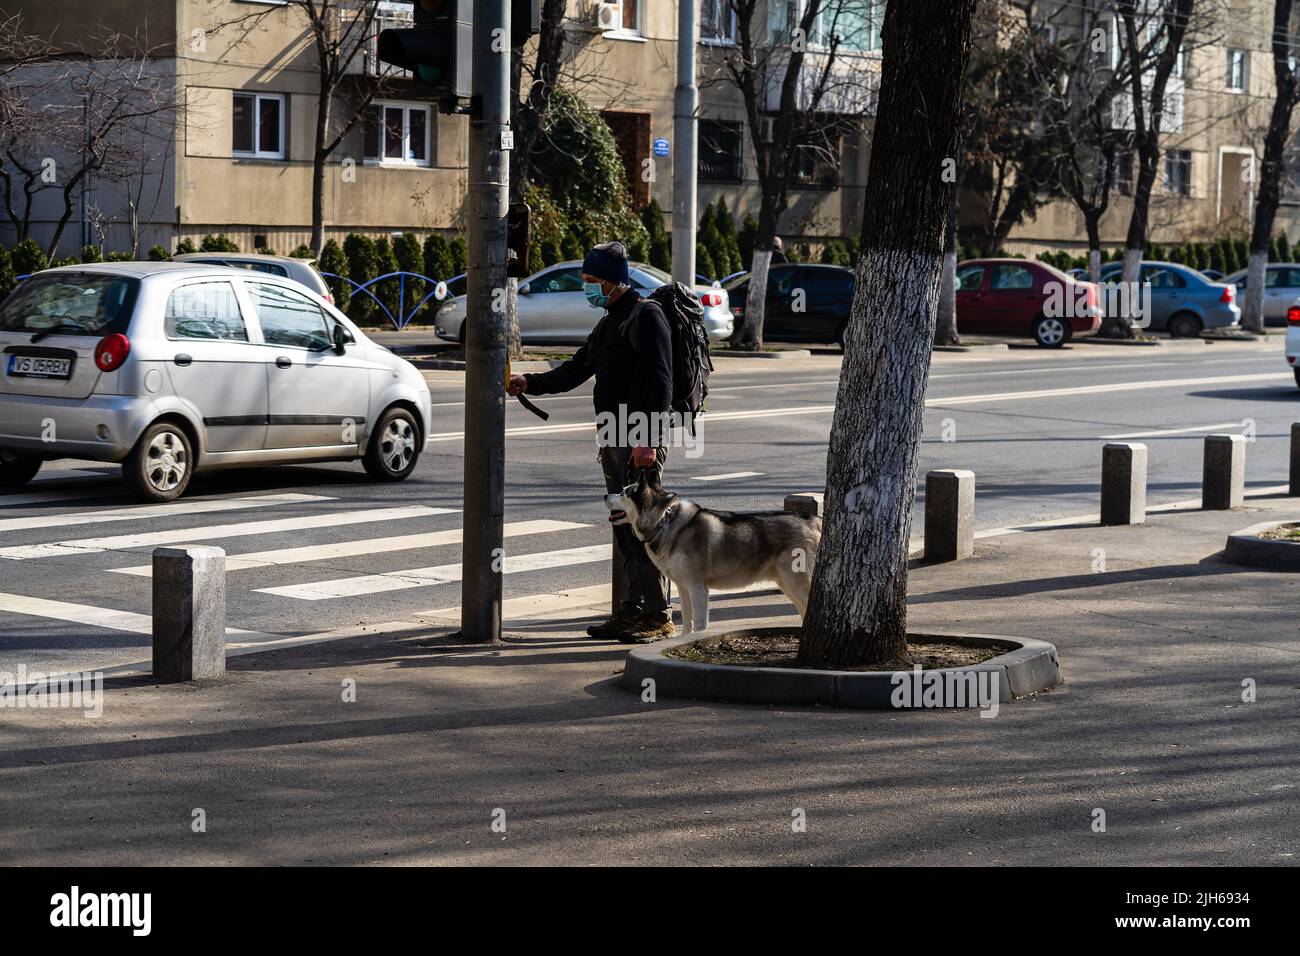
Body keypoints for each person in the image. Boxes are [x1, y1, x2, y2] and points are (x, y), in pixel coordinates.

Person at [507, 242, 676, 644]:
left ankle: (659, 615)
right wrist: (531, 383)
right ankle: (632, 611)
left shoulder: (647, 315)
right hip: (612, 439)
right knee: (624, 530)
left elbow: (662, 383)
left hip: (637, 441)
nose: (587, 288)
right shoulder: (609, 322)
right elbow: (577, 369)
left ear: (614, 280)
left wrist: (647, 440)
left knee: (644, 530)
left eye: (591, 280)